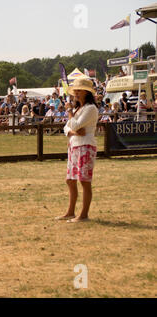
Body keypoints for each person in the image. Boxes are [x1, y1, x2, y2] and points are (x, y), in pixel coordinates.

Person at [56, 78, 99, 223]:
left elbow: (74, 124)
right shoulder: (78, 109)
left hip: (86, 146)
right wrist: (73, 132)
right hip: (74, 146)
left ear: (87, 93)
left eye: (79, 90)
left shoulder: (90, 109)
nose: (76, 93)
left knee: (84, 180)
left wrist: (69, 112)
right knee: (70, 180)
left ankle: (84, 214)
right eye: (75, 90)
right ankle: (70, 211)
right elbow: (67, 127)